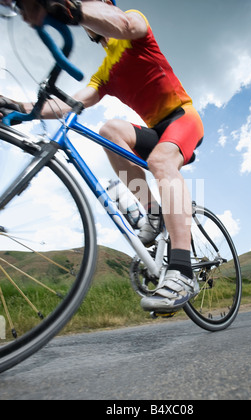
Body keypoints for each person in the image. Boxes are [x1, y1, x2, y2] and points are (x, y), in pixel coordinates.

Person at [0, 0, 204, 313]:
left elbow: (123, 24)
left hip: (183, 118)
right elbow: (69, 105)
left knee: (161, 161)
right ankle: (151, 211)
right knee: (110, 130)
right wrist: (19, 107)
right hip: (157, 131)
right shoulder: (104, 73)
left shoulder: (133, 24)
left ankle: (183, 270)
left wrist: (68, 9)